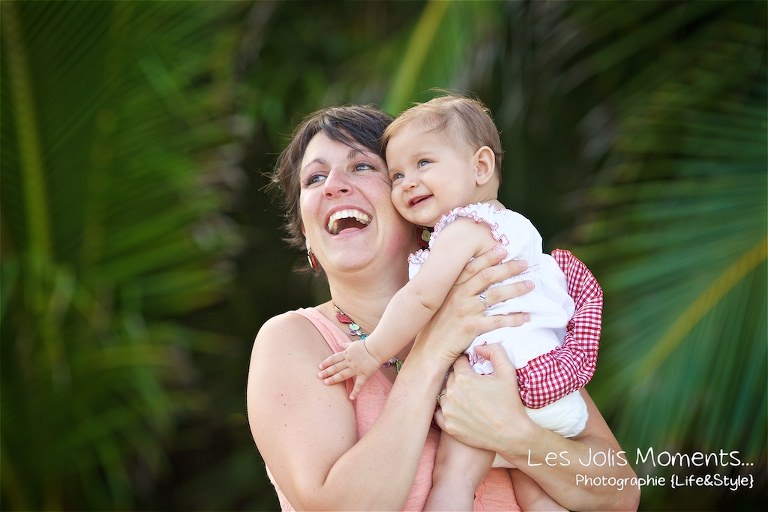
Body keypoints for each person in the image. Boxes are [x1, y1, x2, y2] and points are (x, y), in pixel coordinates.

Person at [246, 103, 640, 511]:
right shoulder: (292, 340)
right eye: (314, 178)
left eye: (362, 167)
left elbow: (620, 494)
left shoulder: (494, 311)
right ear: (307, 237)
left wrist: (519, 437)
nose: (333, 186)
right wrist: (434, 349)